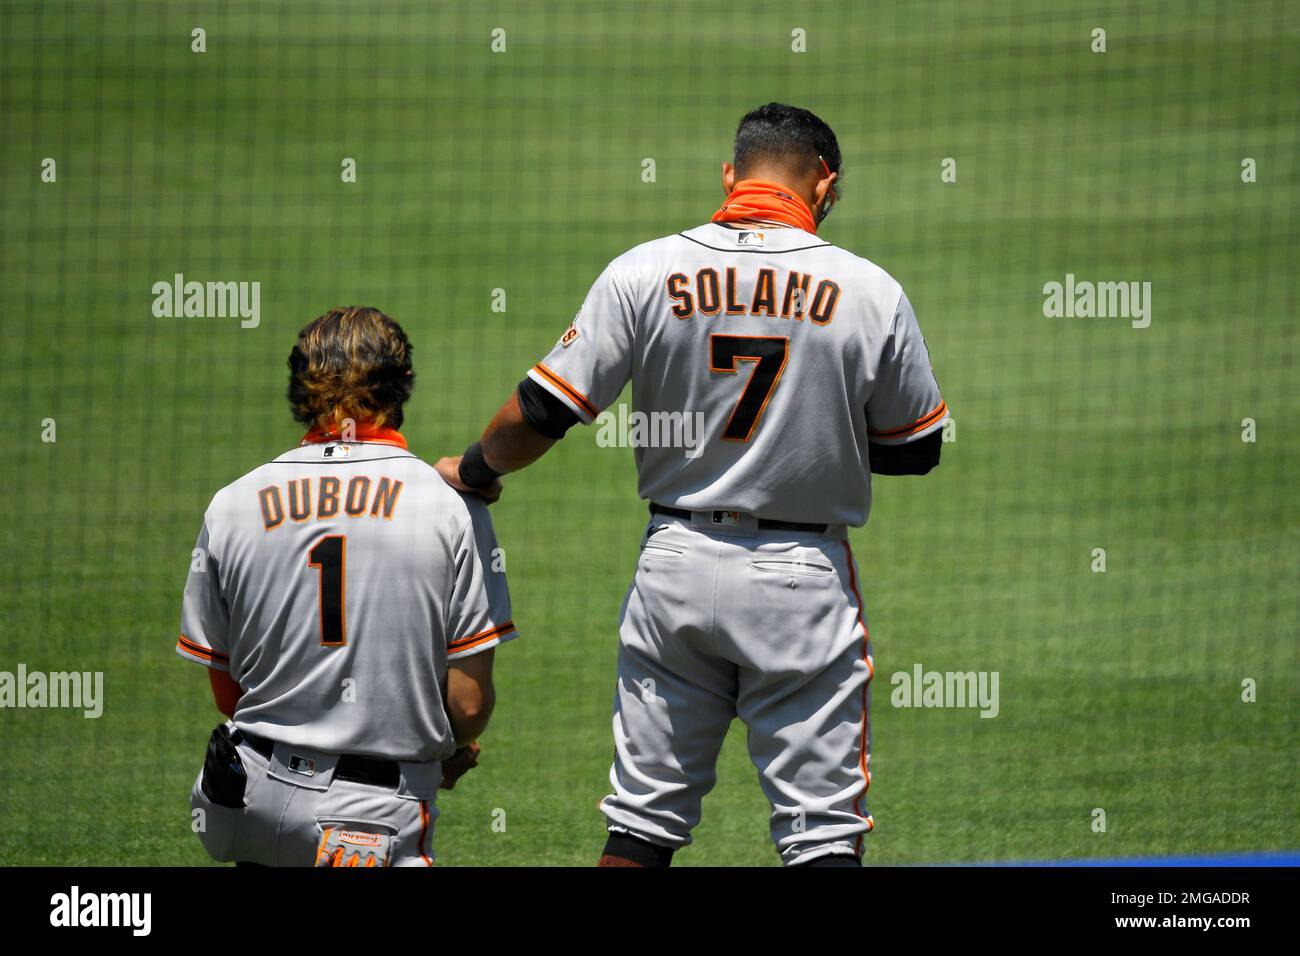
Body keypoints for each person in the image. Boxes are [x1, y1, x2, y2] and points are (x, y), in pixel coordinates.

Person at [438, 103, 949, 867]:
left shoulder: (643, 269)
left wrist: (474, 471)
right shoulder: (868, 288)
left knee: (639, 826)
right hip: (800, 581)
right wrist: (808, 433)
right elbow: (917, 449)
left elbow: (544, 409)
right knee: (822, 834)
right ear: (826, 185)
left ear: (730, 174)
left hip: (674, 564)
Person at [178, 306, 516, 867]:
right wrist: (438, 750)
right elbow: (468, 704)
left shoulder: (232, 503)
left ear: (300, 390)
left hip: (248, 802)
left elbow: (230, 693)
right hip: (369, 821)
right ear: (402, 384)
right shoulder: (449, 507)